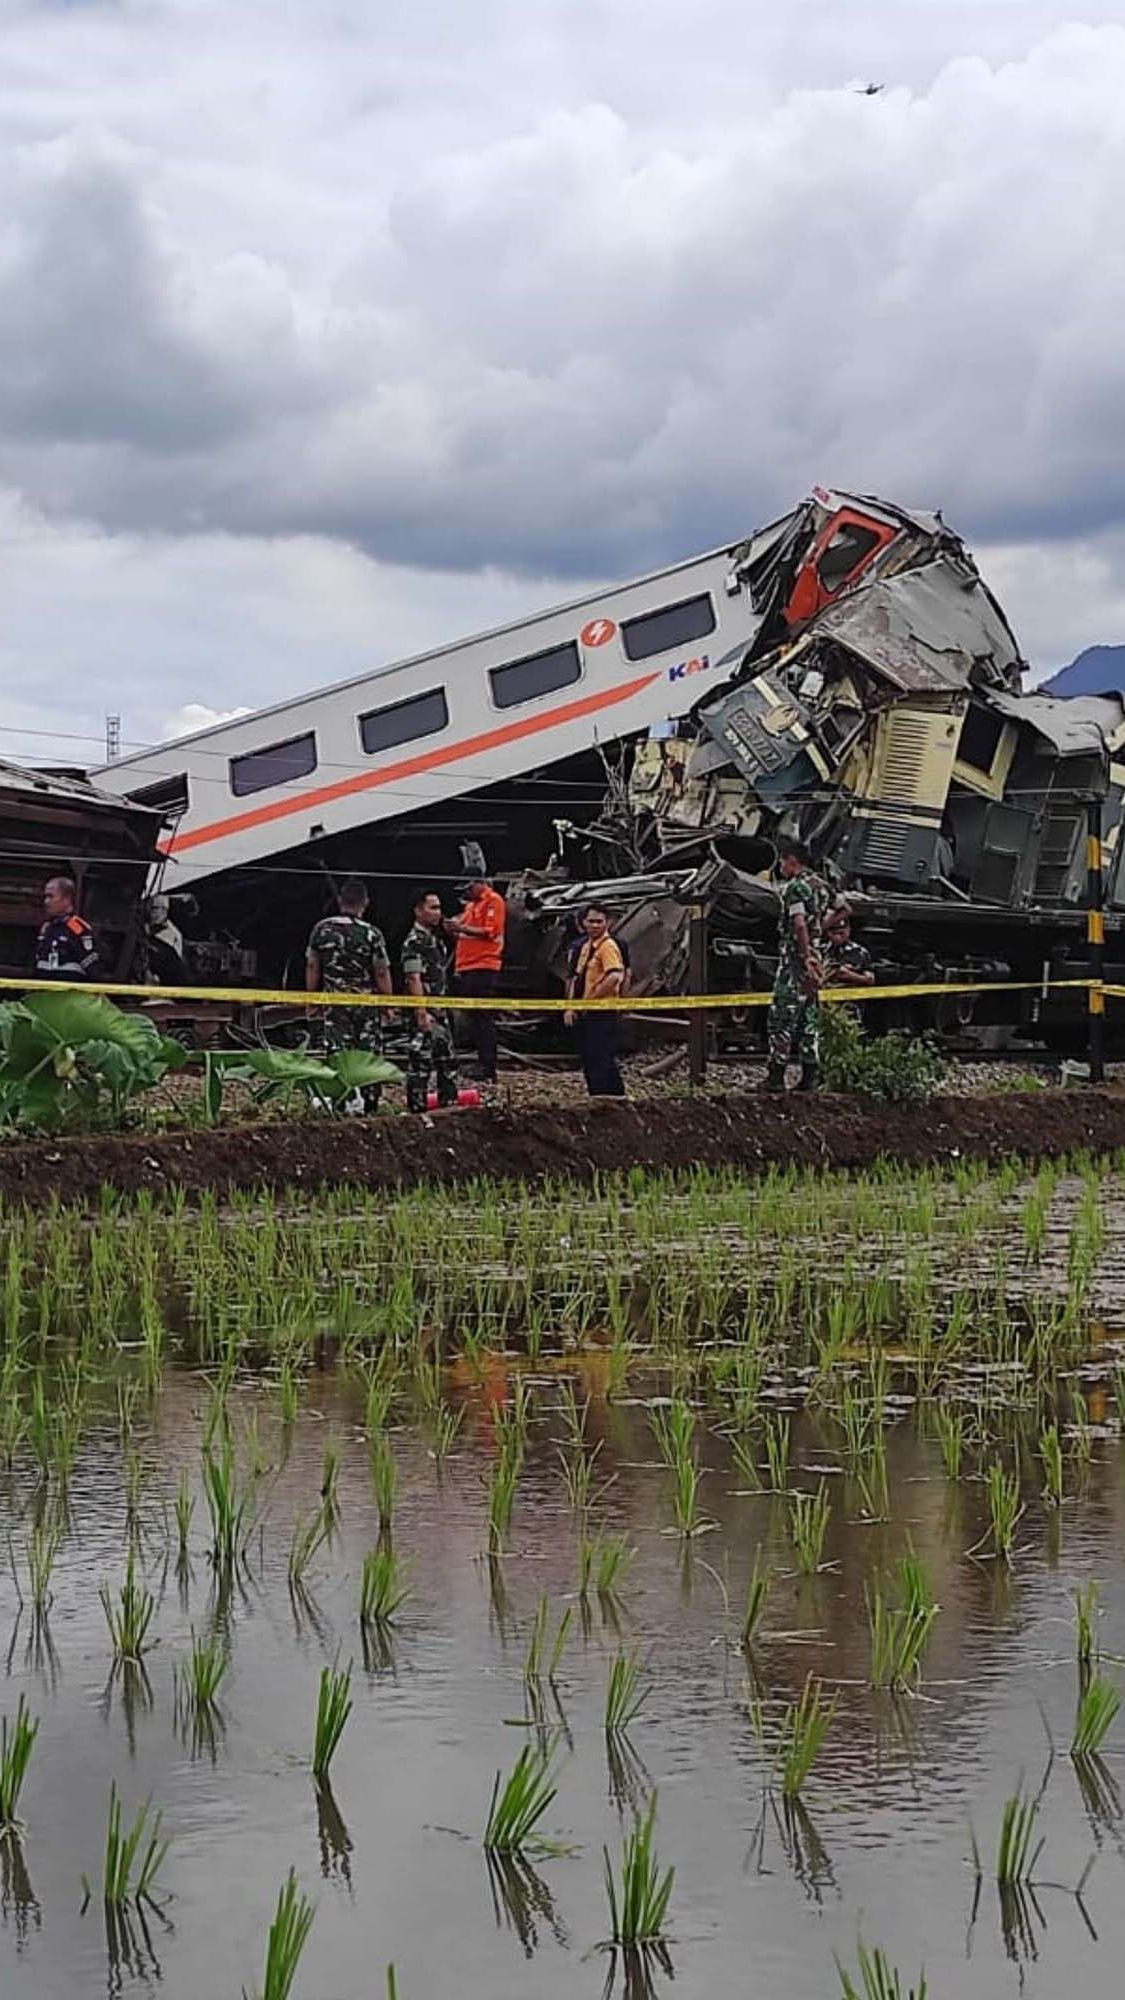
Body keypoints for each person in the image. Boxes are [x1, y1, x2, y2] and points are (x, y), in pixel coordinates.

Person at [305, 879, 392, 1104]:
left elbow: (313, 966)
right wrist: (388, 1002)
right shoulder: (372, 933)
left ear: (340, 901)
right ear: (366, 903)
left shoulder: (321, 929)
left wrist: (311, 998)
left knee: (337, 1050)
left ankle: (339, 1100)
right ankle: (369, 1100)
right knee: (368, 1053)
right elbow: (381, 971)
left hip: (335, 1003)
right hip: (366, 1004)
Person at [765, 837, 830, 1092]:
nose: (779, 865)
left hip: (795, 963)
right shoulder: (821, 886)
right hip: (815, 959)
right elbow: (843, 907)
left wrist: (805, 955)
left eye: (781, 860)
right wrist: (817, 935)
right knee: (809, 1018)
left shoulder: (795, 888)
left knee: (782, 1017)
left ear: (792, 862)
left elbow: (799, 922)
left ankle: (776, 1077)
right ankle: (809, 1077)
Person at [400, 889, 459, 1115]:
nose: (438, 913)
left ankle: (449, 1107)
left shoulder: (433, 940)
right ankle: (417, 1110)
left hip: (439, 1008)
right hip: (426, 1011)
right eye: (432, 908)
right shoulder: (414, 942)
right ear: (418, 910)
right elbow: (413, 977)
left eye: (439, 908)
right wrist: (421, 1011)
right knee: (421, 1064)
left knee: (447, 1061)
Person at [447, 869, 506, 1083]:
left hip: (485, 965)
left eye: (469, 887)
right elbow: (462, 931)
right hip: (468, 966)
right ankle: (481, 1061)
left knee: (482, 1017)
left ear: (479, 883)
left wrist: (461, 927)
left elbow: (490, 931)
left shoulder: (493, 901)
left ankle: (488, 1066)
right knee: (473, 1017)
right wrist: (453, 927)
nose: (467, 892)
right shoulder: (471, 906)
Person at [565, 904, 626, 1096]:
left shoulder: (608, 946)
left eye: (599, 921)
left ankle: (605, 1097)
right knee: (590, 1056)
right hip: (587, 1011)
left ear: (607, 923)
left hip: (603, 1011)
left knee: (600, 1057)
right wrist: (571, 1007)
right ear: (583, 923)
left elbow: (615, 976)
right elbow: (576, 978)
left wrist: (592, 998)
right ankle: (602, 1094)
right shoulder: (585, 947)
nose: (595, 925)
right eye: (591, 921)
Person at [34, 876, 99, 981]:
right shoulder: (46, 928)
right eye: (45, 897)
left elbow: (92, 968)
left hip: (70, 992)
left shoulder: (77, 929)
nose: (46, 902)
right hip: (45, 993)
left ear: (66, 899)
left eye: (51, 897)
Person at [821, 903, 874, 991]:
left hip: (849, 999)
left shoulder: (859, 951)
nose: (838, 937)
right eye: (834, 933)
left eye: (842, 932)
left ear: (849, 929)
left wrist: (850, 975)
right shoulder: (820, 949)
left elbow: (870, 979)